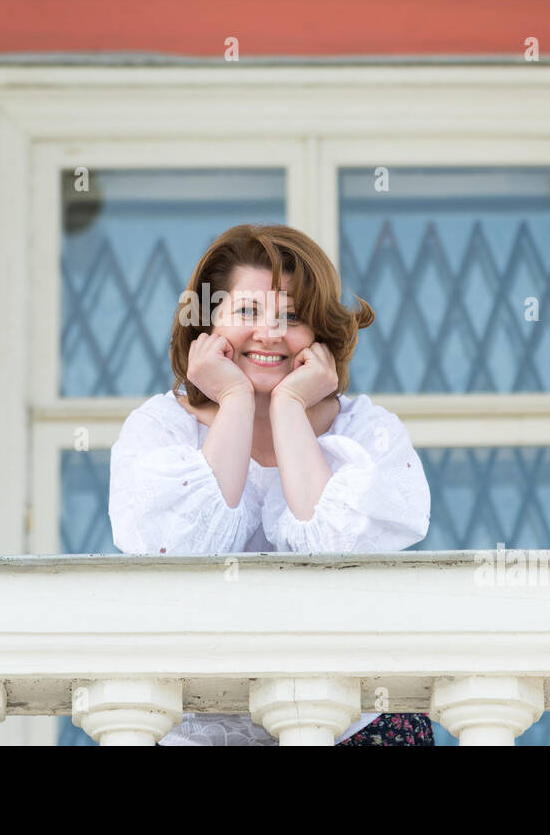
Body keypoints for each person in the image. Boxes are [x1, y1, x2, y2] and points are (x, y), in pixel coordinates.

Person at [109, 223, 434, 746]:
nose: (270, 334)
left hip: (350, 726)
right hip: (196, 730)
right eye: (247, 313)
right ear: (206, 327)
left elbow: (340, 559)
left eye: (292, 316)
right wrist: (235, 400)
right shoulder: (159, 431)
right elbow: (183, 561)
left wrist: (288, 406)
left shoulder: (369, 433)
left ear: (320, 333)